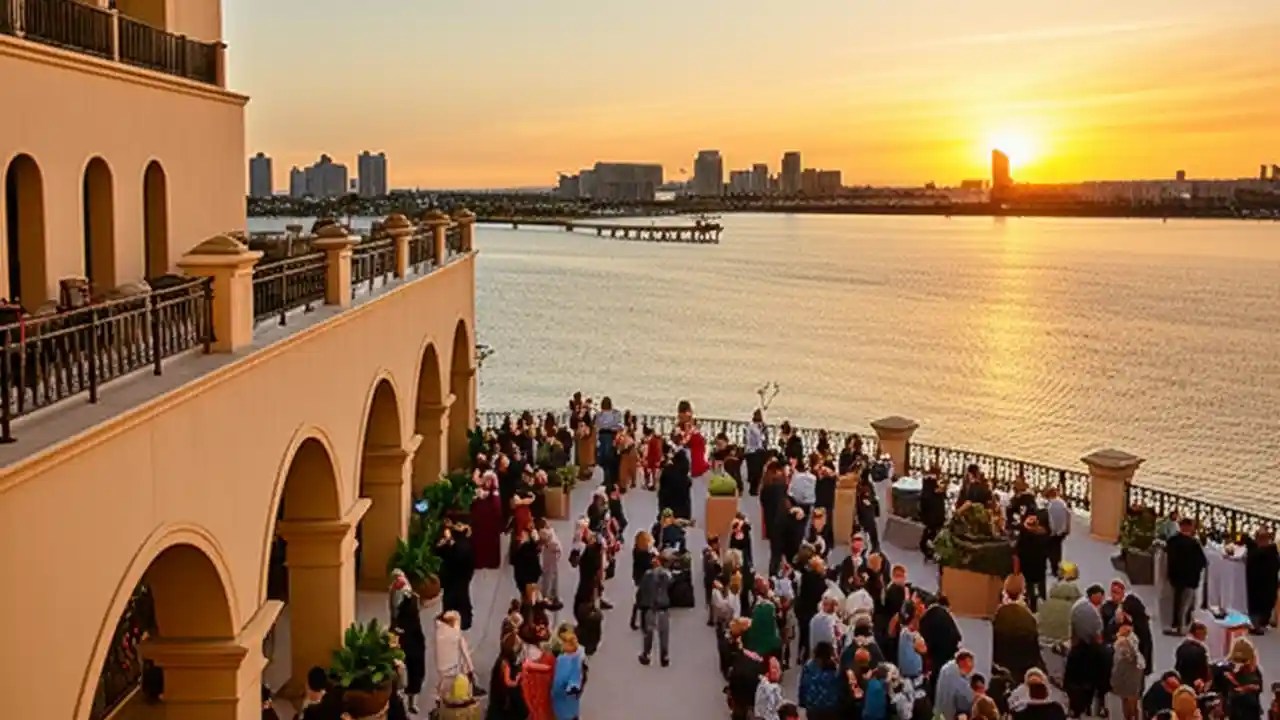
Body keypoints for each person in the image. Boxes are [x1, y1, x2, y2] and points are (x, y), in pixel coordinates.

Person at [1165, 517, 1208, 635]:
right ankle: (1183, 626)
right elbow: (1203, 562)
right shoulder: (1194, 544)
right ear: (1189, 527)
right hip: (1190, 579)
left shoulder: (1173, 541)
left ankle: (1175, 625)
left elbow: (1169, 559)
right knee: (1186, 604)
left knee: (1176, 602)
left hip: (1176, 578)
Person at [390, 582, 427, 713]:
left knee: (413, 672)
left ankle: (409, 701)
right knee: (401, 672)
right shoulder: (404, 604)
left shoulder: (409, 601)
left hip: (412, 640)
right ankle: (401, 701)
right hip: (406, 639)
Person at [636, 551, 673, 667]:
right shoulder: (667, 575)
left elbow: (641, 591)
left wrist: (640, 604)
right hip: (663, 606)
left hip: (650, 607)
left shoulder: (648, 575)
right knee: (664, 633)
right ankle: (664, 656)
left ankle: (646, 654)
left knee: (649, 631)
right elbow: (671, 585)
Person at [438, 520, 476, 630]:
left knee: (456, 600)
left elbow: (455, 557)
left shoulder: (462, 546)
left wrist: (448, 542)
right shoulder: (462, 544)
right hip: (457, 579)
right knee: (458, 598)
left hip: (457, 578)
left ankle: (458, 621)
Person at [434, 611, 477, 706]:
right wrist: (471, 670)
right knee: (454, 695)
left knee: (442, 690)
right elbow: (465, 653)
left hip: (441, 668)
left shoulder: (439, 631)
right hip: (453, 668)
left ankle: (439, 704)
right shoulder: (456, 634)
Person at [1244, 529, 1280, 633]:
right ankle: (1258, 623)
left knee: (1258, 605)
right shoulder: (1272, 553)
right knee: (1262, 605)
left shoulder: (1254, 553)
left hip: (1258, 585)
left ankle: (1257, 623)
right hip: (1265, 586)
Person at [486, 632, 528, 720]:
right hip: (506, 712)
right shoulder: (508, 665)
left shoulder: (500, 661)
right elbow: (510, 685)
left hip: (496, 710)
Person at [798, 641, 842, 720]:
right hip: (831, 707)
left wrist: (802, 702)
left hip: (813, 707)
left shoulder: (809, 666)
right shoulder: (834, 667)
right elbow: (839, 687)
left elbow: (804, 685)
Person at [1111, 621, 1147, 720]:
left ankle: (1132, 716)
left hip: (1131, 671)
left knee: (1130, 698)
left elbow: (1130, 656)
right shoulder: (1126, 639)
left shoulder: (1128, 641)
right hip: (1125, 671)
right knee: (1128, 698)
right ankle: (1131, 716)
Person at [551, 624, 587, 720]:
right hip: (571, 705)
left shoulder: (564, 660)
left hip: (562, 705)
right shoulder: (578, 657)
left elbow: (558, 686)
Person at [1226, 635, 1265, 720]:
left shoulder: (1228, 669)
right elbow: (1260, 689)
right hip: (1251, 711)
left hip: (1234, 711)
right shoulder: (1255, 670)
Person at [472, 469, 504, 569]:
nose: (487, 482)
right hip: (480, 522)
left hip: (491, 523)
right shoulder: (478, 491)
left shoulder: (495, 492)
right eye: (485, 480)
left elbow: (497, 508)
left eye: (489, 480)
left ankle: (491, 562)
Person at [935, 650, 977, 720]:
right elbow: (967, 697)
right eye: (970, 662)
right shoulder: (953, 674)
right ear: (962, 662)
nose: (972, 666)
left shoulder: (947, 668)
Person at [1173, 621, 1212, 691]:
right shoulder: (1201, 650)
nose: (1205, 636)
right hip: (1196, 684)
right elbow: (1204, 670)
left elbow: (1177, 666)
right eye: (1204, 633)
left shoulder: (1181, 647)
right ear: (1198, 632)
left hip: (1183, 680)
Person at [536, 517, 564, 610]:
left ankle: (550, 593)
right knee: (549, 575)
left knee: (551, 574)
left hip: (552, 554)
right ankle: (546, 595)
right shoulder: (546, 532)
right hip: (551, 555)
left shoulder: (546, 532)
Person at [1044, 487, 1071, 578]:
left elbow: (1050, 520)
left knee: (1051, 551)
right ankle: (1058, 569)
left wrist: (1052, 531)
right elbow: (1068, 516)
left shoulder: (1050, 506)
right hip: (1062, 531)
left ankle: (1054, 569)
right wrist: (1067, 529)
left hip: (1054, 532)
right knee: (1058, 550)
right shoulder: (1063, 503)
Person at [745, 409, 769, 495]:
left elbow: (764, 439)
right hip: (753, 452)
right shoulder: (752, 427)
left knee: (758, 471)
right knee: (754, 472)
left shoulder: (759, 427)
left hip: (758, 452)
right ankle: (753, 488)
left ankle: (755, 488)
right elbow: (758, 438)